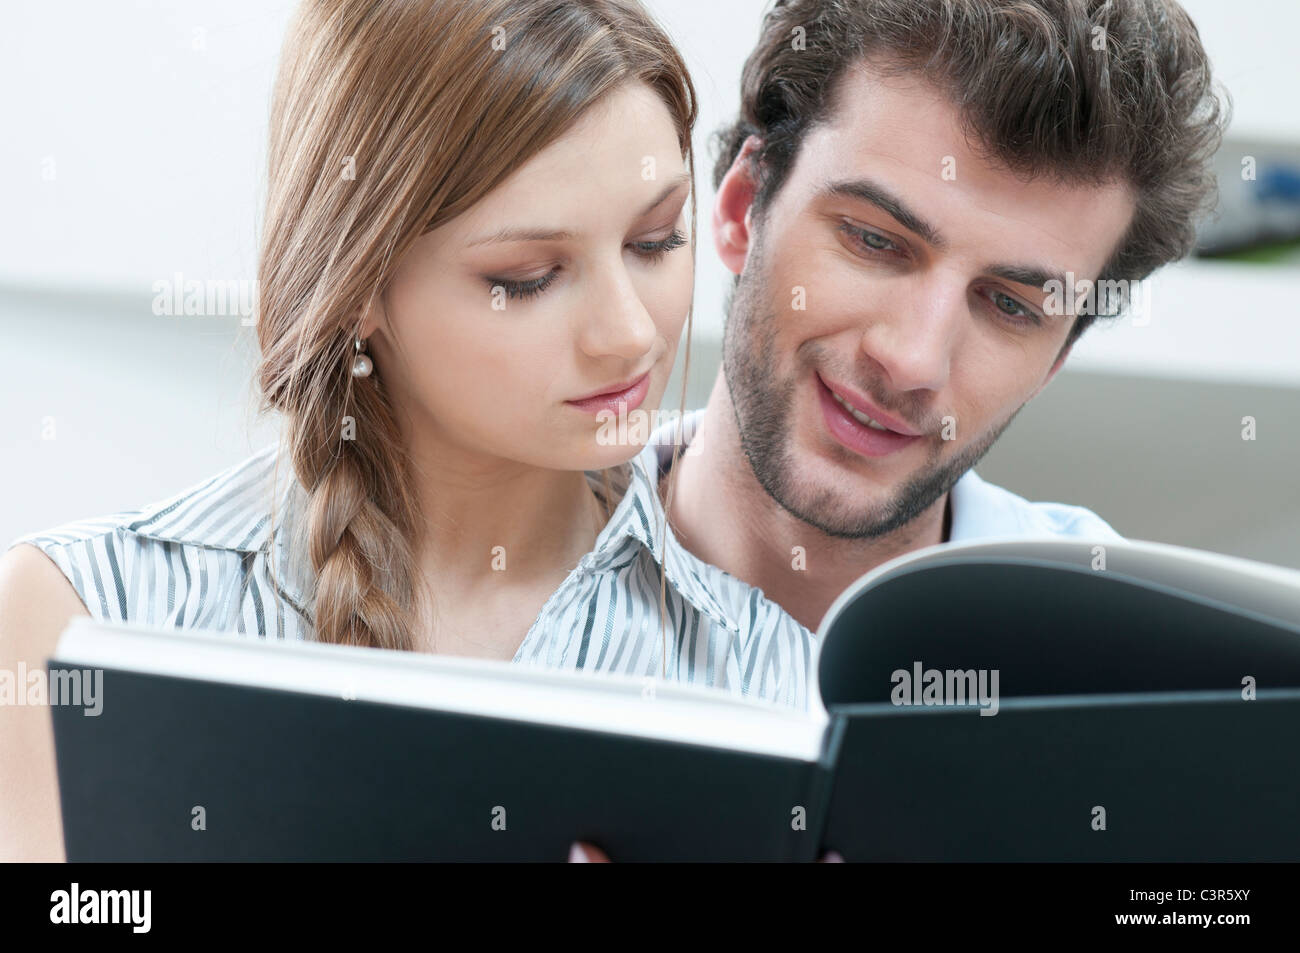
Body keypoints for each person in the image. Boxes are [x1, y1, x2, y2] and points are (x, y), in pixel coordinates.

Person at [0, 0, 817, 863]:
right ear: (357, 282)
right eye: (529, 277)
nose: (630, 333)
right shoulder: (82, 621)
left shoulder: (773, 686)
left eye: (656, 241)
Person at [571, 0, 1226, 861]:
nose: (913, 359)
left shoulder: (1152, 682)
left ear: (1056, 357)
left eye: (1009, 305)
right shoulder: (468, 596)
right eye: (875, 241)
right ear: (739, 209)